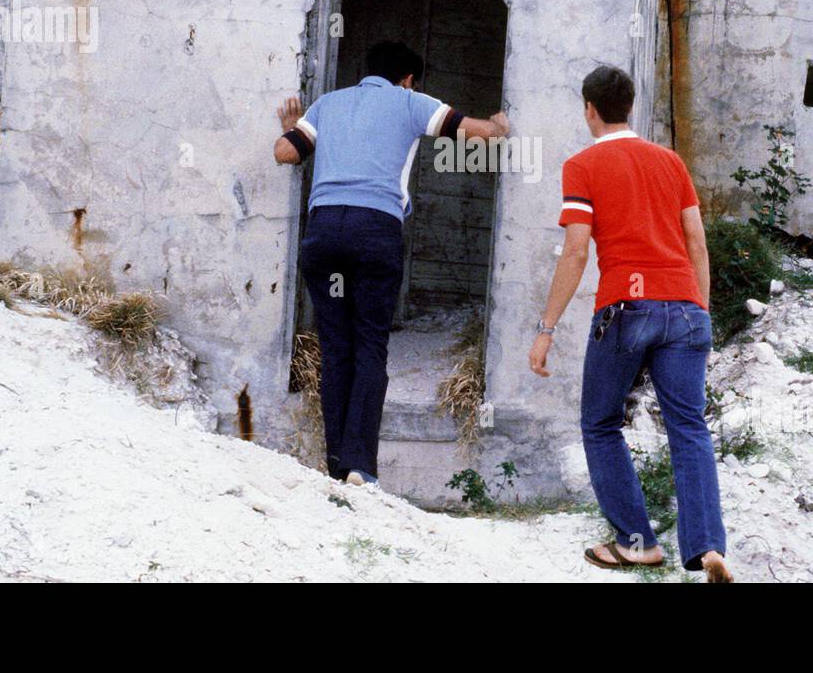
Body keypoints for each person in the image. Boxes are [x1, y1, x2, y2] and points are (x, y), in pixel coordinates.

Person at [527, 65, 732, 581]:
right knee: (688, 427)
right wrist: (699, 313)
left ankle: (638, 543)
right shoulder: (671, 163)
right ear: (631, 106)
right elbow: (697, 244)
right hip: (686, 308)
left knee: (600, 423)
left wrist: (546, 328)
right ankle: (707, 548)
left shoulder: (582, 165)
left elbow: (576, 253)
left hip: (626, 308)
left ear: (589, 109)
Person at [275, 40, 509, 486]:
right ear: (407, 79)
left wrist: (292, 127)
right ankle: (361, 467)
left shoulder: (327, 104)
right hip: (373, 233)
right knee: (369, 346)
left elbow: (285, 153)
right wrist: (499, 124)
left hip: (324, 233)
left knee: (336, 348)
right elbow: (479, 135)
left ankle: (336, 463)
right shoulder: (410, 101)